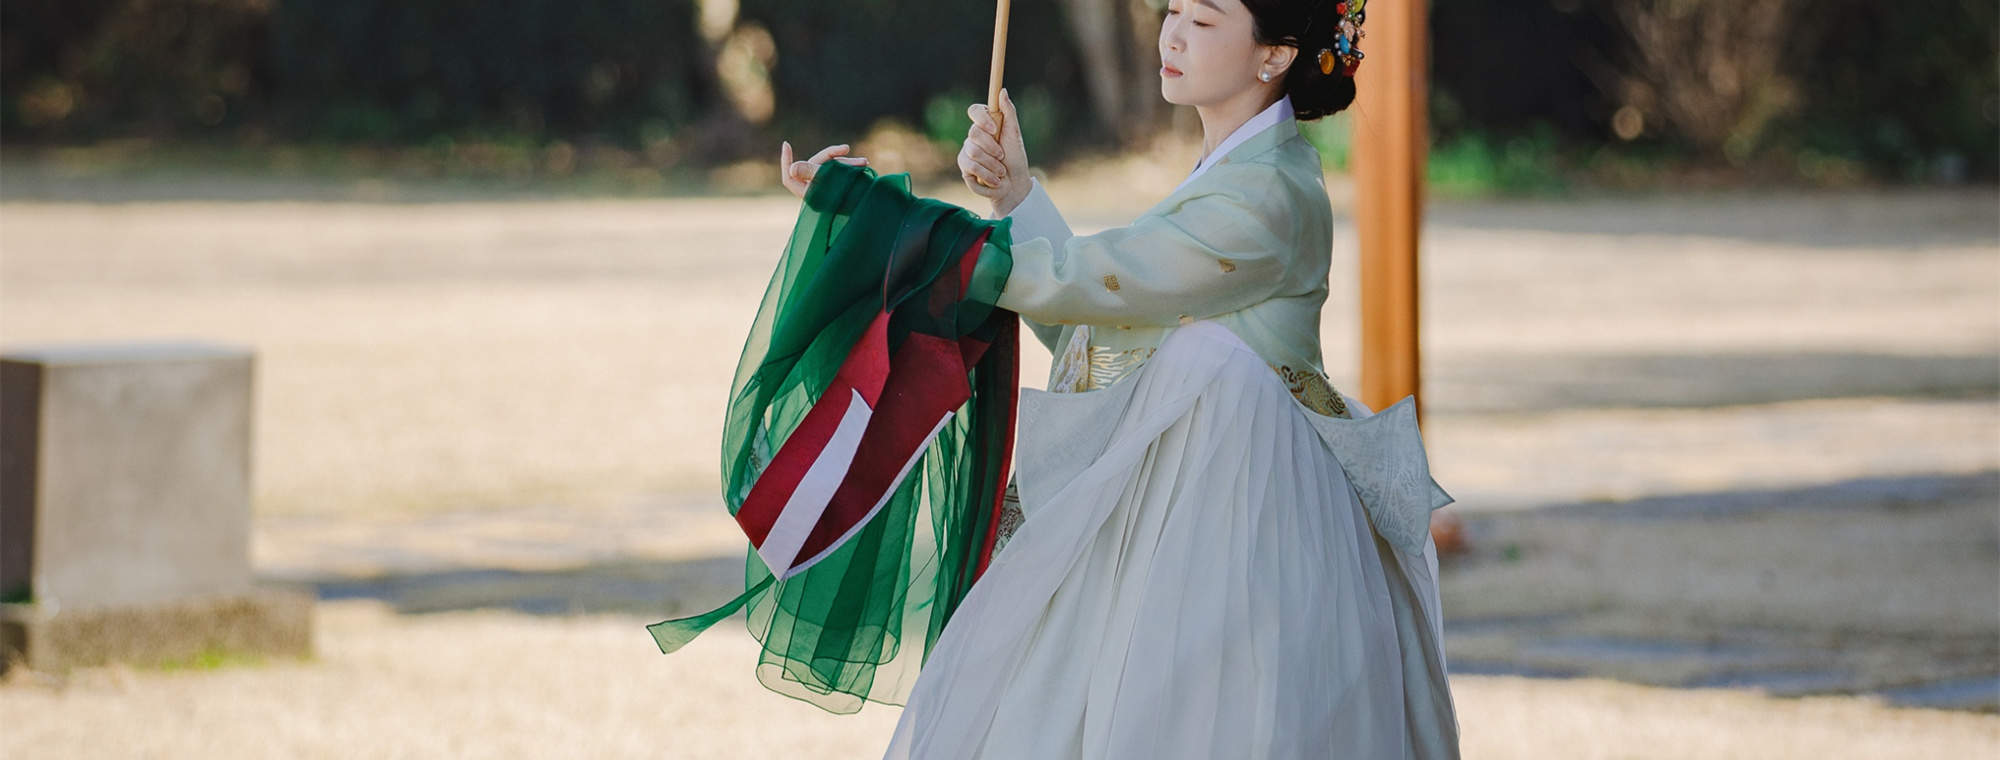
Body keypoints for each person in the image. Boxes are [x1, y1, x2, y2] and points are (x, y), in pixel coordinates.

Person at [778, 0, 1459, 756]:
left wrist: (889, 228)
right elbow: (1098, 331)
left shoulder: (1270, 196)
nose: (1171, 34)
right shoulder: (1235, 171)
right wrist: (1017, 198)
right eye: (1172, 10)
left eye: (1201, 22)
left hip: (1237, 524)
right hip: (1183, 507)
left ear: (1274, 55)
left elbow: (1095, 283)